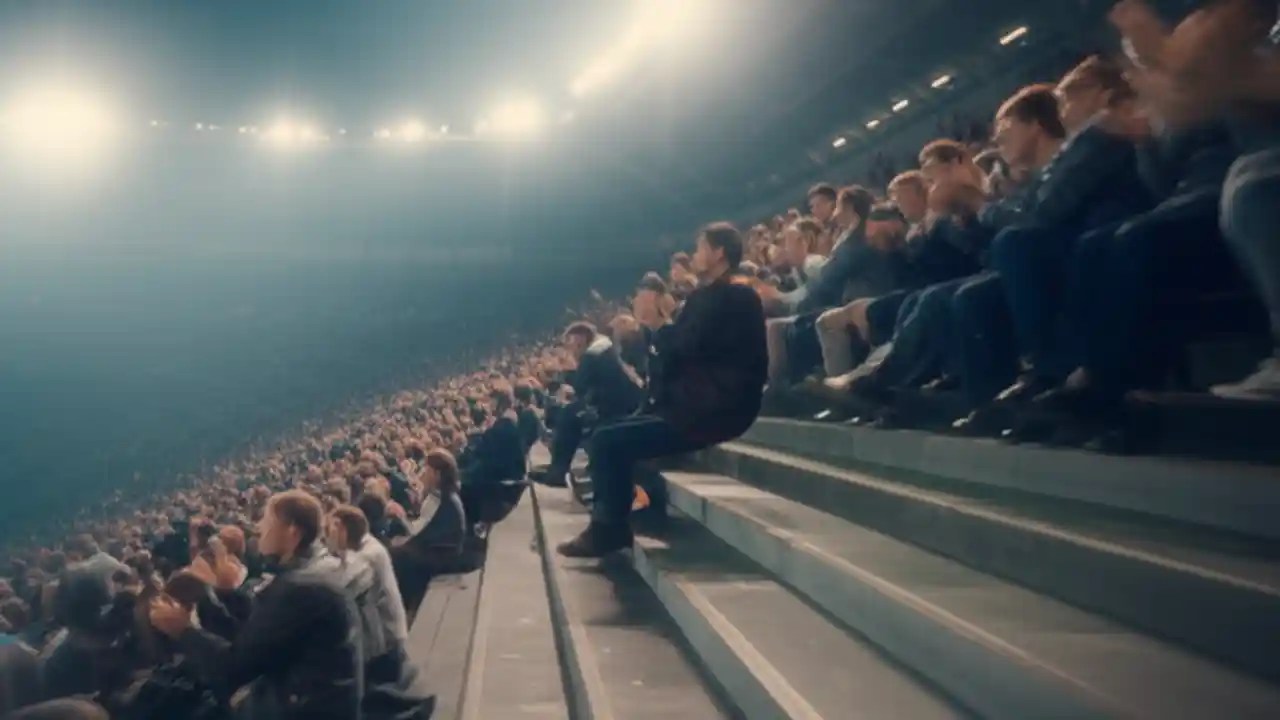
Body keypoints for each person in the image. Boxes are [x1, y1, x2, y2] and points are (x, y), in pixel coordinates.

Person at [558, 223, 767, 558]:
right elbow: (673, 359)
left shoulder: (735, 297)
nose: (695, 254)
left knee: (607, 441)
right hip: (697, 406)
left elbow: (682, 350)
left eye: (701, 248)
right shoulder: (710, 297)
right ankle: (625, 515)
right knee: (607, 432)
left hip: (714, 410)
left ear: (718, 253)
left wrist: (658, 323)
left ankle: (609, 528)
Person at [149, 490, 365, 720]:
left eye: (267, 520)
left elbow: (234, 668)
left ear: (292, 532)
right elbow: (260, 636)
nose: (260, 527)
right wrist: (226, 593)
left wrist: (182, 629)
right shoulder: (314, 570)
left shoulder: (300, 586)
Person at [533, 322, 645, 489]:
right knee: (569, 411)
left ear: (581, 339)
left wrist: (569, 372)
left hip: (618, 408)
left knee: (569, 415)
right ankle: (558, 468)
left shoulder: (592, 354)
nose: (570, 348)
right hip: (623, 404)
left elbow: (580, 386)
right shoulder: (603, 350)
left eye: (571, 343)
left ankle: (558, 471)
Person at [391, 450, 466, 616]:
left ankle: (405, 608)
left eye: (427, 470)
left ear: (437, 474)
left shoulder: (440, 497)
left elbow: (417, 530)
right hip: (441, 548)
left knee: (397, 556)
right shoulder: (444, 493)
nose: (423, 474)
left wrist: (400, 517)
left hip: (443, 554)